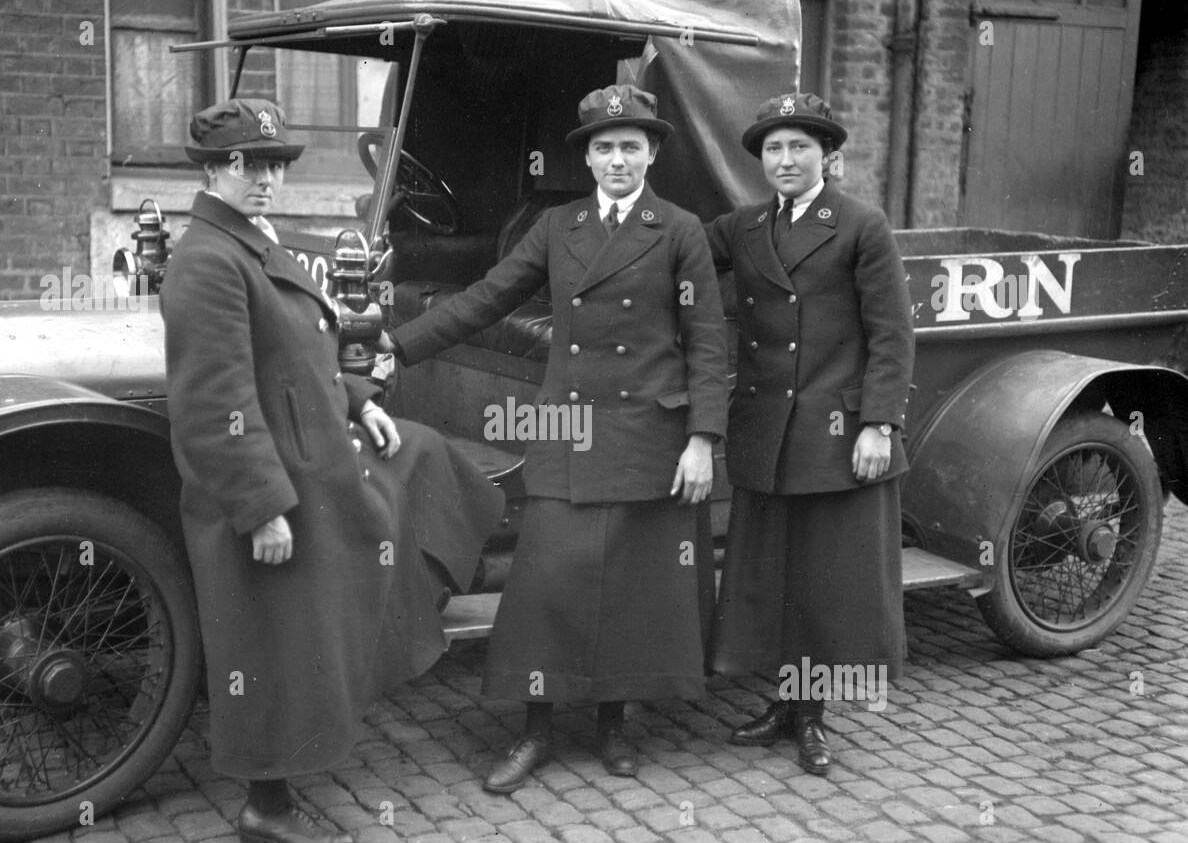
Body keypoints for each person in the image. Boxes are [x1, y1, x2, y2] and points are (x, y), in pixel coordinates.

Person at [161, 99, 503, 843]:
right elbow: (213, 402)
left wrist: (356, 399)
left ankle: (398, 640)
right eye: (246, 165)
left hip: (309, 455)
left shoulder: (249, 243)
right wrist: (260, 509)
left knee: (423, 456)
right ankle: (266, 806)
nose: (263, 179)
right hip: (271, 480)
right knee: (270, 642)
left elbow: (294, 352)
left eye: (274, 164)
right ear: (214, 171)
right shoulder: (207, 260)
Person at [382, 85, 728, 793]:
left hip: (648, 435)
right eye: (605, 148)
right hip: (569, 429)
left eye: (631, 146)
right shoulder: (559, 227)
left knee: (630, 588)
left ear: (652, 152)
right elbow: (487, 296)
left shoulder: (681, 230)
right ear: (589, 158)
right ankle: (535, 731)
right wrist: (400, 347)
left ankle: (613, 726)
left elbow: (708, 345)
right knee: (546, 585)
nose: (617, 159)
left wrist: (702, 440)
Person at [705, 92, 916, 776]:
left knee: (826, 585)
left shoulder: (860, 225)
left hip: (836, 434)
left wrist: (878, 423)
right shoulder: (743, 226)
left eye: (800, 146)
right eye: (773, 148)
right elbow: (675, 256)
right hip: (769, 434)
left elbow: (892, 334)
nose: (786, 159)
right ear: (761, 160)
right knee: (777, 580)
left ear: (827, 156)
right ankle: (784, 704)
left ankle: (814, 717)